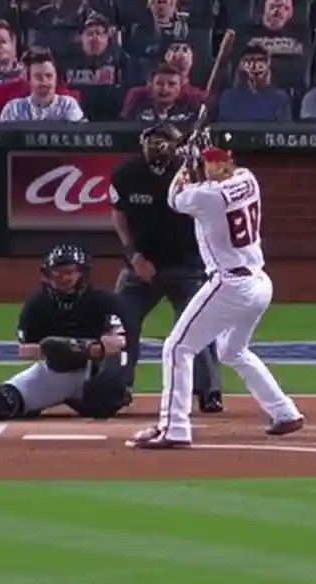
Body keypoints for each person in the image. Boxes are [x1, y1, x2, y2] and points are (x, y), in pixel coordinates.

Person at [128, 135, 305, 449]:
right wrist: (195, 158)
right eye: (209, 160)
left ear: (228, 160)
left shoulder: (208, 196)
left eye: (217, 160)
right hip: (259, 283)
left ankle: (174, 428)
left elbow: (174, 198)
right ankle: (284, 411)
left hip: (229, 284)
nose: (212, 165)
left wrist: (185, 162)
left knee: (177, 348)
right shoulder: (248, 179)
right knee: (232, 351)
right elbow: (203, 186)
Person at [110, 123, 223, 414]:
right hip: (140, 267)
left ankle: (209, 391)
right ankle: (118, 385)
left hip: (187, 265)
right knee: (119, 324)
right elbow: (119, 217)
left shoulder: (193, 173)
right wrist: (134, 256)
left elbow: (222, 188)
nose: (157, 147)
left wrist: (202, 158)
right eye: (152, 142)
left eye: (163, 142)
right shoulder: (126, 174)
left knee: (196, 326)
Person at [0, 244, 133, 421]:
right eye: (57, 272)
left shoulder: (103, 300)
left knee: (105, 397)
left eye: (69, 272)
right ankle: (48, 397)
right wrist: (63, 350)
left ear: (82, 273)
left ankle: (106, 393)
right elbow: (25, 350)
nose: (63, 278)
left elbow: (119, 342)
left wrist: (91, 351)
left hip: (92, 370)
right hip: (54, 371)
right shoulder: (37, 303)